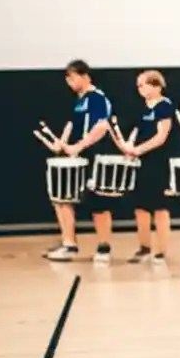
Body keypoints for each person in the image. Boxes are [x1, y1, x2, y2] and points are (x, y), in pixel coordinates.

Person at [42, 59, 115, 263]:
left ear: (85, 76)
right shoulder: (79, 100)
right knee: (62, 198)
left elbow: (102, 127)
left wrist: (79, 146)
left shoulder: (97, 98)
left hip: (94, 156)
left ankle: (103, 248)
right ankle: (69, 244)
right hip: (77, 157)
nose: (69, 83)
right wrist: (61, 144)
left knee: (98, 202)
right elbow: (71, 125)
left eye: (72, 78)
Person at [119, 70, 179, 265]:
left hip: (158, 162)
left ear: (156, 85)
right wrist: (128, 146)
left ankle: (161, 251)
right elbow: (136, 130)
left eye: (143, 85)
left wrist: (139, 150)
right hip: (141, 163)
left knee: (160, 208)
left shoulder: (165, 106)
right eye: (138, 85)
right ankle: (144, 248)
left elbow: (161, 137)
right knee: (141, 208)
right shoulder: (143, 107)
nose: (140, 89)